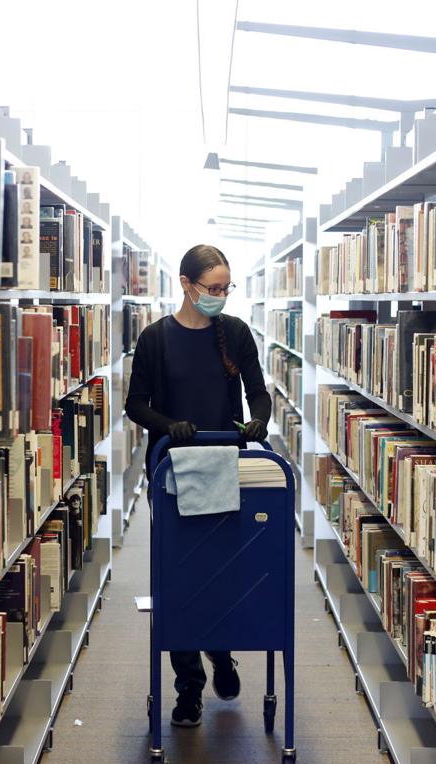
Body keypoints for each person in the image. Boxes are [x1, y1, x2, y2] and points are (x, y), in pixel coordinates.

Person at [125, 243, 272, 728]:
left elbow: (257, 391)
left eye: (227, 288)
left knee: (221, 571)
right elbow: (135, 405)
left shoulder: (234, 333)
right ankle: (188, 689)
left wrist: (259, 424)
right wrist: (170, 425)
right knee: (178, 579)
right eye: (212, 288)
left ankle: (222, 655)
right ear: (186, 285)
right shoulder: (155, 339)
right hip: (172, 471)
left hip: (226, 467)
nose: (221, 296)